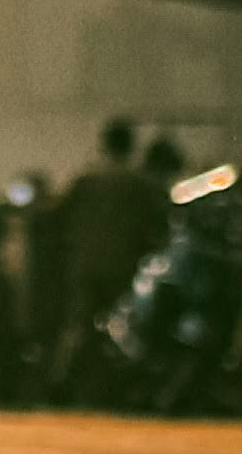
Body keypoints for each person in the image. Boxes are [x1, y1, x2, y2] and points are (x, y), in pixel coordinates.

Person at [53, 115, 172, 392]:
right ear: (131, 146)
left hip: (84, 265)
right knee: (124, 326)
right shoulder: (142, 183)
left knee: (79, 325)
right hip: (125, 266)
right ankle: (119, 385)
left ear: (104, 144)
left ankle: (62, 382)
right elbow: (162, 223)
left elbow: (59, 218)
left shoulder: (86, 180)